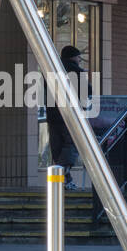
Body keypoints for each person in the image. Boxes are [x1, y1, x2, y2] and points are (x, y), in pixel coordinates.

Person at [46, 44, 85, 188]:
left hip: (52, 114)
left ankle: (66, 179)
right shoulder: (77, 71)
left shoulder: (51, 70)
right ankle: (61, 173)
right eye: (78, 57)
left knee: (57, 146)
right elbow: (86, 94)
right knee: (72, 143)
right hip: (70, 115)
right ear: (73, 57)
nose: (79, 60)